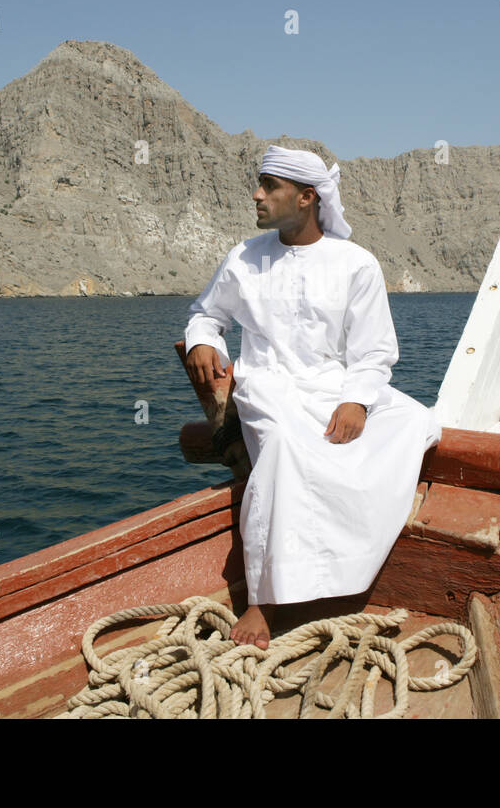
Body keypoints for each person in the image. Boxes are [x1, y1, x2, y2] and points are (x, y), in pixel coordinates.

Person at [183, 145, 441, 649]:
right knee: (281, 446)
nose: (257, 195)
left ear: (306, 198)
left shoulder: (355, 264)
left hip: (334, 387)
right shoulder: (245, 257)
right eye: (259, 184)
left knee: (413, 422)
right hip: (270, 386)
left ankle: (341, 571)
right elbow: (206, 314)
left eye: (269, 186)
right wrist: (202, 340)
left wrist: (357, 401)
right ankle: (265, 599)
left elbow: (374, 353)